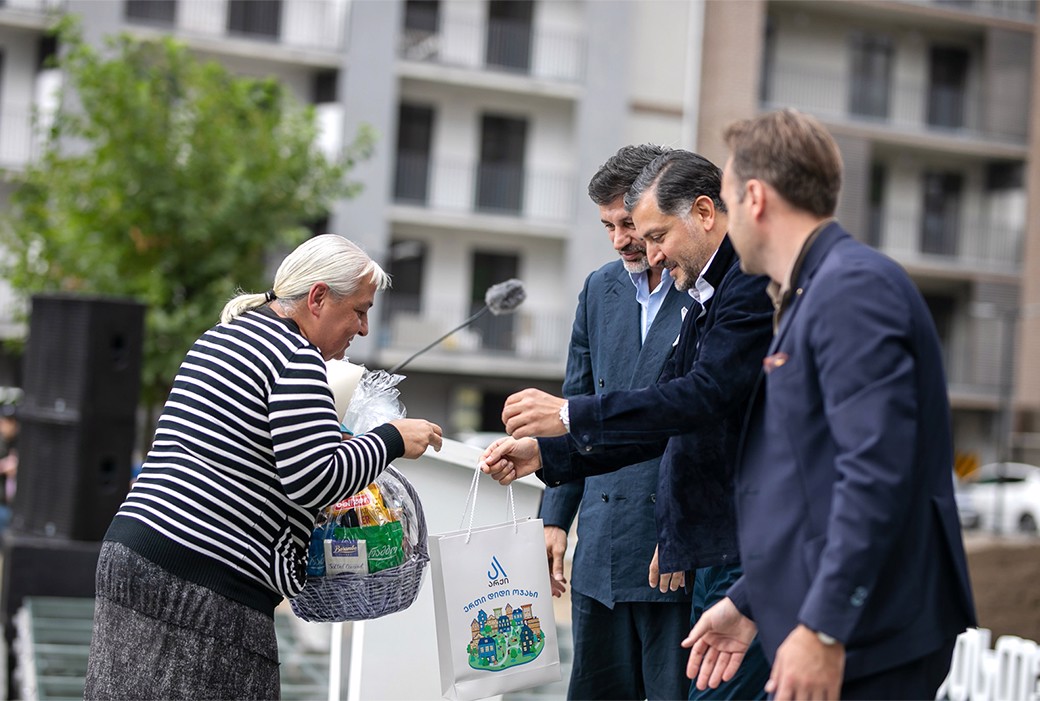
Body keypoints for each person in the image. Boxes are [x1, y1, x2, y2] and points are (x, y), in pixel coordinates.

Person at [682, 108, 977, 700]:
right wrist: (749, 600)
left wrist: (822, 625)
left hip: (868, 641)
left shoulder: (851, 290)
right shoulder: (819, 288)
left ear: (757, 198)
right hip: (847, 633)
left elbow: (874, 473)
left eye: (729, 201)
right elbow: (812, 483)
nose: (728, 219)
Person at [84, 234, 443, 700]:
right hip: (207, 583)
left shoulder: (224, 336)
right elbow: (315, 479)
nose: (364, 328)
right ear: (317, 298)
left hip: (133, 552)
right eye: (359, 310)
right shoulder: (296, 356)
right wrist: (393, 438)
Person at [481, 149, 774, 699]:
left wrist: (672, 524)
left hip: (697, 551)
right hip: (613, 548)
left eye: (645, 229)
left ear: (702, 212)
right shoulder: (618, 290)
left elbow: (692, 404)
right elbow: (618, 407)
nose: (634, 243)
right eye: (614, 227)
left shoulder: (730, 289)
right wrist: (547, 464)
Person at [540, 144, 690, 700]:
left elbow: (700, 425)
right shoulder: (598, 290)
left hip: (670, 557)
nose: (620, 240)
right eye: (608, 226)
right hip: (597, 553)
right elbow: (574, 408)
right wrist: (555, 518)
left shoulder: (704, 292)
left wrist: (680, 528)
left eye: (629, 224)